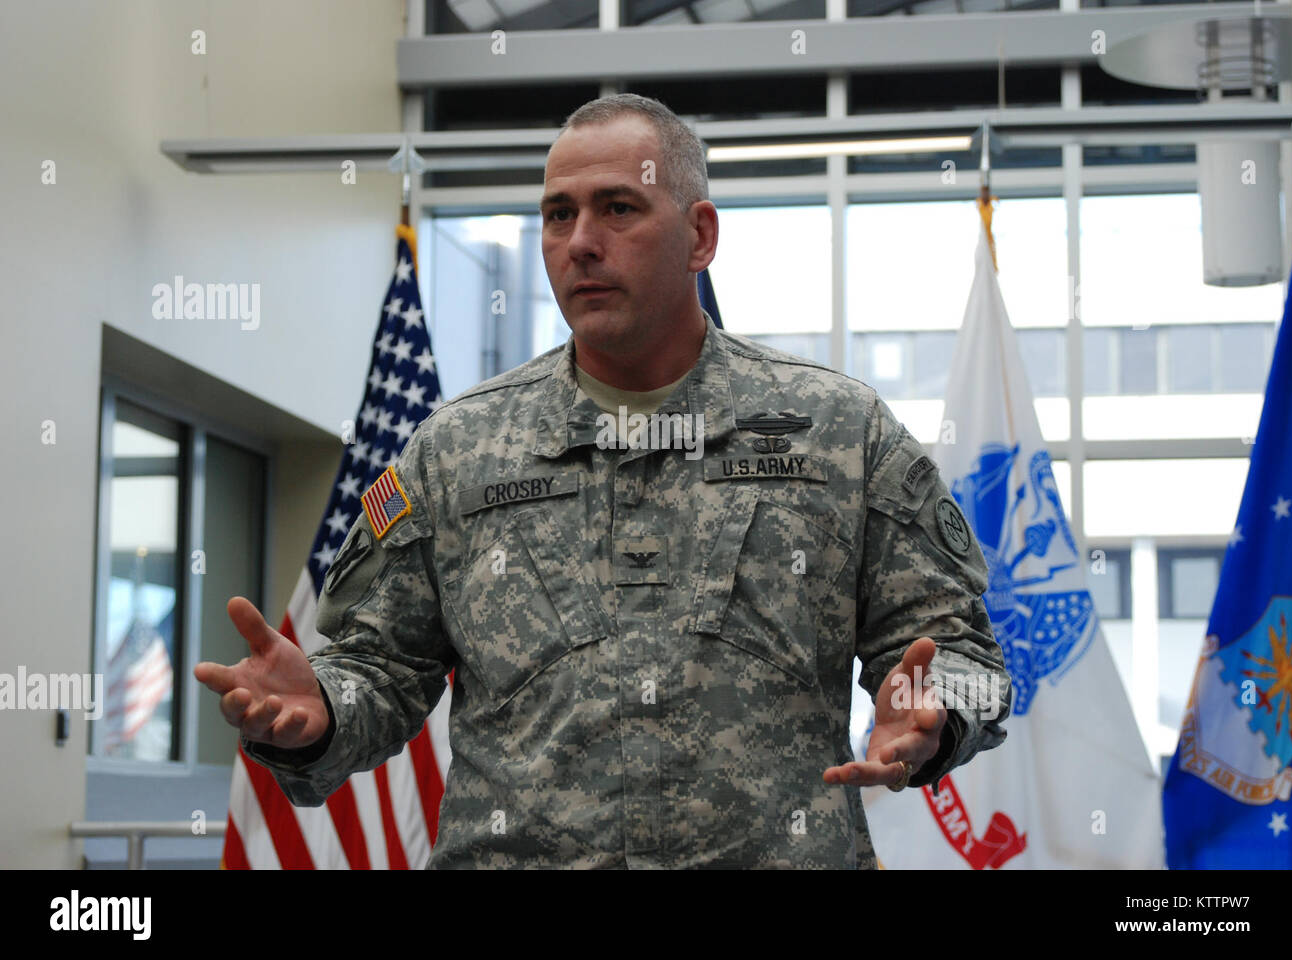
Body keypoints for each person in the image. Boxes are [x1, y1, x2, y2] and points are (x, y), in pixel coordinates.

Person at [195, 93, 1011, 869]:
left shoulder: (839, 431)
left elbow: (967, 651)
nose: (580, 240)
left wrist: (936, 712)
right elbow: (378, 668)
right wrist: (322, 711)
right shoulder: (457, 450)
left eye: (618, 208)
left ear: (699, 237)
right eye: (559, 214)